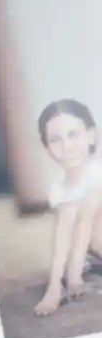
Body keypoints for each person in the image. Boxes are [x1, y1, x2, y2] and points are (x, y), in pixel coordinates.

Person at [35, 99, 102, 316]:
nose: (66, 147)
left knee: (92, 199)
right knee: (68, 212)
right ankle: (56, 286)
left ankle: (74, 273)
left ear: (90, 136)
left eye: (73, 135)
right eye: (55, 140)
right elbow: (63, 233)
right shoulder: (58, 189)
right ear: (46, 148)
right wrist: (54, 282)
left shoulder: (98, 171)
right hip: (95, 244)